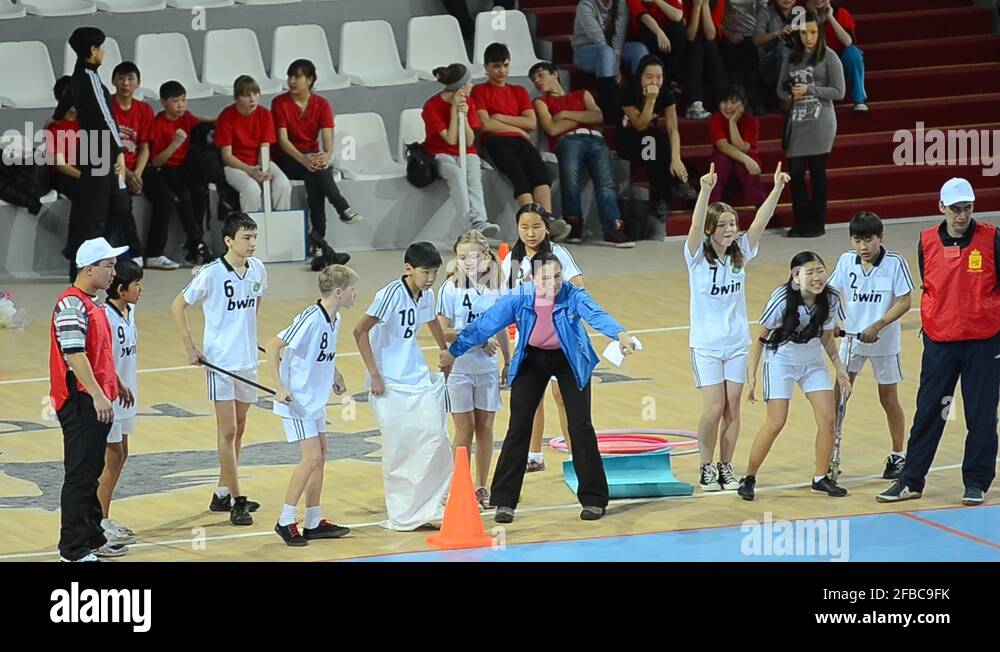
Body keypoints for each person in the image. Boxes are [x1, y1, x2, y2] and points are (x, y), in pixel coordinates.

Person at [441, 250, 637, 522]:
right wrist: (455, 351)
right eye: (546, 278)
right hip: (533, 359)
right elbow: (484, 326)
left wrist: (620, 333)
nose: (553, 283)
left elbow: (596, 314)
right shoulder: (519, 298)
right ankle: (504, 501)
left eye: (557, 276)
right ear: (532, 278)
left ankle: (594, 499)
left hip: (569, 359)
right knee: (518, 426)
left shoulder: (572, 294)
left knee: (580, 426)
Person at [877, 179, 1000, 507]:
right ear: (941, 207)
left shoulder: (992, 239)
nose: (962, 215)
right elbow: (931, 285)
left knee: (981, 414)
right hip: (940, 342)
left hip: (984, 343)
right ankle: (911, 481)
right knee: (930, 410)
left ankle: (976, 482)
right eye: (956, 208)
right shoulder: (926, 241)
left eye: (968, 208)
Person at [686, 161, 787, 491]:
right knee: (713, 409)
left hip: (736, 344)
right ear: (712, 228)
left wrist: (777, 189)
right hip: (706, 346)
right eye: (724, 225)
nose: (731, 229)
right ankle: (705, 467)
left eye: (733, 224)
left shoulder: (741, 251)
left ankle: (726, 466)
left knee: (732, 409)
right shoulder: (697, 257)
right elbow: (696, 223)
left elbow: (761, 220)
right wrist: (704, 190)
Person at [171, 212, 267, 526]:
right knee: (227, 431)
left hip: (247, 362)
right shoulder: (211, 274)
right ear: (228, 240)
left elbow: (255, 306)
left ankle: (223, 491)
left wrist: (253, 338)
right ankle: (238, 500)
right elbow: (178, 305)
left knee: (239, 428)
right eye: (246, 238)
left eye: (254, 237)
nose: (252, 244)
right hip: (221, 363)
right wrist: (189, 345)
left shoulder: (258, 270)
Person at [352, 242, 454, 530]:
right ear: (408, 269)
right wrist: (374, 374)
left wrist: (443, 350)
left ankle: (430, 505)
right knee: (401, 446)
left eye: (435, 272)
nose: (431, 278)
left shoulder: (426, 294)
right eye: (426, 272)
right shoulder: (390, 295)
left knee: (435, 437)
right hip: (390, 382)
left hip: (416, 375)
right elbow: (359, 331)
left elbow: (431, 319)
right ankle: (404, 512)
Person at [738, 250, 851, 501]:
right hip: (781, 360)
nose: (817, 277)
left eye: (820, 270)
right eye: (809, 272)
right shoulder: (781, 299)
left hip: (812, 360)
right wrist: (752, 376)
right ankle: (749, 477)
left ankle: (820, 478)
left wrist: (839, 368)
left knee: (828, 420)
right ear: (795, 278)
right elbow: (759, 338)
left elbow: (827, 336)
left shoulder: (831, 297)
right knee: (776, 421)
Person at [50, 237, 134, 561]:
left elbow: (98, 354)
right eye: (108, 266)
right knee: (80, 477)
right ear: (88, 269)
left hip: (95, 398)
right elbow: (74, 354)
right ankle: (72, 550)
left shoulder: (92, 302)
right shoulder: (72, 305)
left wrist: (117, 382)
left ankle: (92, 537)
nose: (113, 273)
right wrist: (99, 394)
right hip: (81, 402)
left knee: (91, 472)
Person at [267, 264, 357, 546]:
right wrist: (280, 387)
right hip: (297, 401)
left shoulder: (335, 318)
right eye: (353, 290)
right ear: (339, 292)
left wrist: (336, 373)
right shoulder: (310, 319)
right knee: (311, 457)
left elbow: (324, 353)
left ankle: (313, 520)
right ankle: (285, 520)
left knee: (321, 454)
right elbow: (272, 346)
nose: (356, 295)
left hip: (315, 399)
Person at [828, 212, 913, 480]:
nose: (863, 247)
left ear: (880, 237)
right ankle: (829, 454)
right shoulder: (845, 261)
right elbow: (830, 293)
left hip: (884, 341)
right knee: (838, 397)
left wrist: (877, 326)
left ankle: (898, 455)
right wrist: (831, 320)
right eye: (857, 240)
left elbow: (905, 301)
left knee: (888, 399)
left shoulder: (895, 263)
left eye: (868, 240)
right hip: (852, 340)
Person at [503, 204, 585, 471]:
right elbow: (506, 301)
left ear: (546, 227)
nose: (530, 232)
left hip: (560, 338)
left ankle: (575, 456)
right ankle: (534, 455)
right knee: (531, 398)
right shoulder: (511, 260)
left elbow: (579, 287)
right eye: (524, 227)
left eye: (536, 226)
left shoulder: (558, 253)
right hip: (529, 338)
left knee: (563, 395)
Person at [436, 230, 510, 510]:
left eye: (473, 256)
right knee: (464, 429)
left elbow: (501, 327)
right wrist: (479, 337)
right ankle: (459, 486)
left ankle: (481, 486)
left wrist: (508, 360)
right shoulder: (450, 288)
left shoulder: (497, 288)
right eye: (462, 257)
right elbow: (442, 332)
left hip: (487, 368)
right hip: (459, 368)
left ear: (486, 257)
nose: (467, 262)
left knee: (486, 428)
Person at [530, 61, 634, 247]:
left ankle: (613, 228)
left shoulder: (582, 94)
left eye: (540, 75)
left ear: (555, 74)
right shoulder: (541, 102)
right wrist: (581, 118)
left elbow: (598, 116)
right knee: (571, 181)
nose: (537, 81)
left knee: (607, 183)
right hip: (567, 141)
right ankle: (574, 224)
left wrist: (565, 114)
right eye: (534, 79)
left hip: (595, 138)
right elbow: (552, 129)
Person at [472, 43, 570, 241]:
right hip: (495, 142)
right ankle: (532, 225)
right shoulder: (480, 91)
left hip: (521, 142)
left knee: (539, 172)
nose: (501, 71)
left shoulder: (519, 91)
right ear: (486, 67)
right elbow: (486, 125)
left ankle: (547, 220)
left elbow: (531, 122)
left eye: (505, 65)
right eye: (496, 66)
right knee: (518, 175)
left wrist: (500, 117)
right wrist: (517, 128)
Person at [55, 27, 129, 282]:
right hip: (98, 148)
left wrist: (54, 117)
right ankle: (83, 267)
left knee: (117, 205)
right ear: (93, 50)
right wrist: (118, 150)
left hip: (96, 147)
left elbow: (66, 98)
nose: (104, 52)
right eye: (102, 47)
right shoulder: (88, 77)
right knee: (95, 212)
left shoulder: (81, 75)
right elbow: (107, 118)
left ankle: (94, 255)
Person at [272, 59, 358, 264]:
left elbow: (328, 141)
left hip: (311, 156)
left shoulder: (321, 104)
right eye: (290, 76)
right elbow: (283, 141)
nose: (291, 81)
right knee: (316, 171)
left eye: (297, 77)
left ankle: (318, 242)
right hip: (288, 157)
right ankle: (341, 208)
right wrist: (303, 159)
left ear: (310, 80)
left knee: (315, 177)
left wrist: (326, 156)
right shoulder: (279, 103)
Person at [778, 9, 844, 238]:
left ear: (820, 33)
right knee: (795, 174)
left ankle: (817, 221)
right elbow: (780, 88)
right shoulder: (791, 57)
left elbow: (839, 91)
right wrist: (789, 94)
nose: (808, 37)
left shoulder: (829, 56)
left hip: (821, 121)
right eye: (804, 32)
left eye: (813, 32)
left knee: (817, 172)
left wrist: (810, 89)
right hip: (797, 121)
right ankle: (800, 220)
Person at [423, 63, 500, 238]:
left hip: (467, 151)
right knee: (457, 175)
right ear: (461, 87)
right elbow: (450, 139)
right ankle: (469, 226)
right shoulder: (432, 106)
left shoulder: (469, 103)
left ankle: (480, 220)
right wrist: (453, 110)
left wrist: (463, 117)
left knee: (473, 178)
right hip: (440, 152)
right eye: (469, 82)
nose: (472, 85)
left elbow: (470, 140)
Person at [97, 259, 142, 546]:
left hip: (127, 398)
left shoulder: (130, 310)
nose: (141, 289)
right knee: (111, 460)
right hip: (111, 397)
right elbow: (99, 358)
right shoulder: (105, 317)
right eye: (137, 285)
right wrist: (117, 382)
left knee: (121, 454)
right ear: (121, 289)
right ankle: (98, 523)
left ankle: (103, 516)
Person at [618, 54, 692, 224]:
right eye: (649, 77)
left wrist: (676, 159)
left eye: (659, 77)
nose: (654, 82)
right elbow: (640, 125)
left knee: (655, 145)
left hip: (651, 143)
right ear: (640, 77)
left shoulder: (666, 95)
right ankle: (675, 185)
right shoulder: (627, 92)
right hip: (628, 141)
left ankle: (660, 200)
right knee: (654, 137)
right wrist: (651, 100)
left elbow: (673, 129)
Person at [147, 80, 213, 267]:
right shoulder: (158, 124)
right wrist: (175, 144)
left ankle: (195, 244)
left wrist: (219, 120)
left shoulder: (186, 117)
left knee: (199, 192)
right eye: (176, 101)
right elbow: (156, 161)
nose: (181, 105)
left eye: (183, 100)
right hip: (165, 169)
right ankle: (197, 243)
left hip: (184, 168)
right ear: (163, 102)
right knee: (182, 196)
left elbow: (200, 120)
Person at [110, 62, 166, 270]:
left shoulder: (144, 110)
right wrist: (128, 173)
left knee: (165, 197)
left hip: (138, 166)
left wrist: (138, 174)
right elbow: (105, 148)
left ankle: (155, 253)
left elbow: (144, 147)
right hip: (114, 166)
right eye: (121, 78)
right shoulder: (107, 107)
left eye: (130, 79)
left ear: (138, 83)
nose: (125, 83)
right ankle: (134, 253)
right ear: (114, 80)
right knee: (123, 202)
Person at [215, 75, 291, 213]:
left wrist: (262, 169)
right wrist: (251, 171)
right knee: (251, 189)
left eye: (256, 93)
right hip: (235, 166)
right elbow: (227, 156)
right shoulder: (226, 116)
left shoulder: (264, 114)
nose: (252, 99)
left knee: (283, 185)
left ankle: (280, 223)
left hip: (260, 162)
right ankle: (252, 230)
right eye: (246, 95)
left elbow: (265, 147)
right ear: (237, 98)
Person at [572, 0, 650, 125]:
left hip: (612, 50)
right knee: (606, 52)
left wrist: (617, 63)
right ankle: (610, 112)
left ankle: (641, 104)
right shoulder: (585, 5)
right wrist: (616, 68)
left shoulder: (620, 3)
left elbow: (619, 35)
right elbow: (598, 39)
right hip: (586, 52)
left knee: (639, 49)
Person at [709, 82, 765, 206]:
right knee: (721, 161)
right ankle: (711, 206)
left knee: (745, 164)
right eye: (724, 102)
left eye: (733, 102)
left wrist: (732, 123)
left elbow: (742, 148)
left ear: (743, 103)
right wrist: (746, 159)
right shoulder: (716, 118)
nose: (728, 107)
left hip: (744, 165)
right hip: (724, 163)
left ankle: (761, 207)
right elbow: (722, 146)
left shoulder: (751, 121)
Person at [806, 0, 867, 112]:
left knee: (852, 52)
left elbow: (848, 42)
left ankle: (859, 100)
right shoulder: (803, 15)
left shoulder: (841, 13)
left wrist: (830, 18)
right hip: (816, 68)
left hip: (839, 67)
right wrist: (814, 17)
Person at [627, 0, 687, 97]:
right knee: (648, 31)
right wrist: (659, 32)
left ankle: (672, 78)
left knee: (678, 28)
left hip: (666, 36)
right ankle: (658, 81)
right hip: (643, 35)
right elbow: (644, 17)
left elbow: (677, 16)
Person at [683, 0, 729, 120]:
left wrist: (705, 5)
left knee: (710, 45)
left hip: (710, 55)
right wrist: (697, 7)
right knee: (696, 46)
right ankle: (694, 104)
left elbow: (710, 36)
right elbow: (690, 36)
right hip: (687, 52)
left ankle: (724, 101)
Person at [719, 0, 767, 114]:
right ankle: (738, 100)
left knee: (748, 49)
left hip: (752, 34)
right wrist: (729, 34)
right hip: (727, 34)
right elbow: (715, 16)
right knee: (733, 54)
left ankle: (753, 100)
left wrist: (757, 34)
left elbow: (763, 13)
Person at [754, 0, 796, 111]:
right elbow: (756, 40)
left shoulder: (799, 14)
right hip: (769, 66)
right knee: (782, 50)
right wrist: (778, 33)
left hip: (794, 63)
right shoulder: (766, 13)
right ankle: (784, 99)